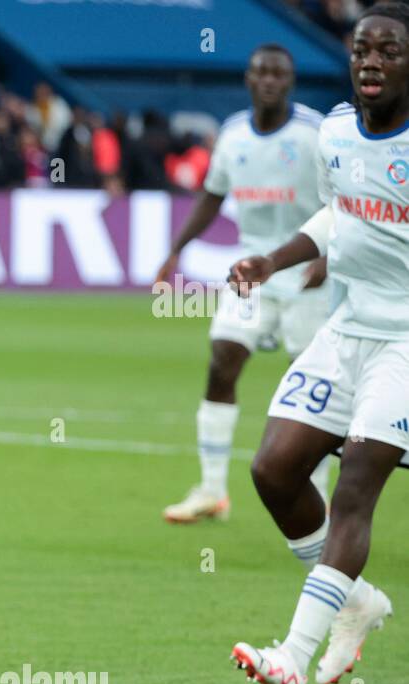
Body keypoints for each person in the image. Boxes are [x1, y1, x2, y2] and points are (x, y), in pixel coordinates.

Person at [227, 4, 409, 684]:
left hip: (403, 343)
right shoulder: (333, 133)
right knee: (274, 470)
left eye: (388, 50)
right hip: (345, 328)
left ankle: (293, 658)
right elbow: (338, 215)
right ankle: (356, 601)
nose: (371, 61)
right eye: (363, 49)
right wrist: (271, 259)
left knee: (356, 482)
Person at [157, 45, 331, 524]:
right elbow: (212, 197)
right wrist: (176, 249)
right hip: (252, 271)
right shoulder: (232, 134)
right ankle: (212, 491)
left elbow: (346, 200)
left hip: (306, 273)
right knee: (222, 360)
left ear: (291, 81)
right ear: (249, 80)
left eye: (279, 72)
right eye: (261, 72)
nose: (270, 80)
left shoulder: (316, 133)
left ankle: (319, 502)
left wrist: (328, 256)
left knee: (312, 388)